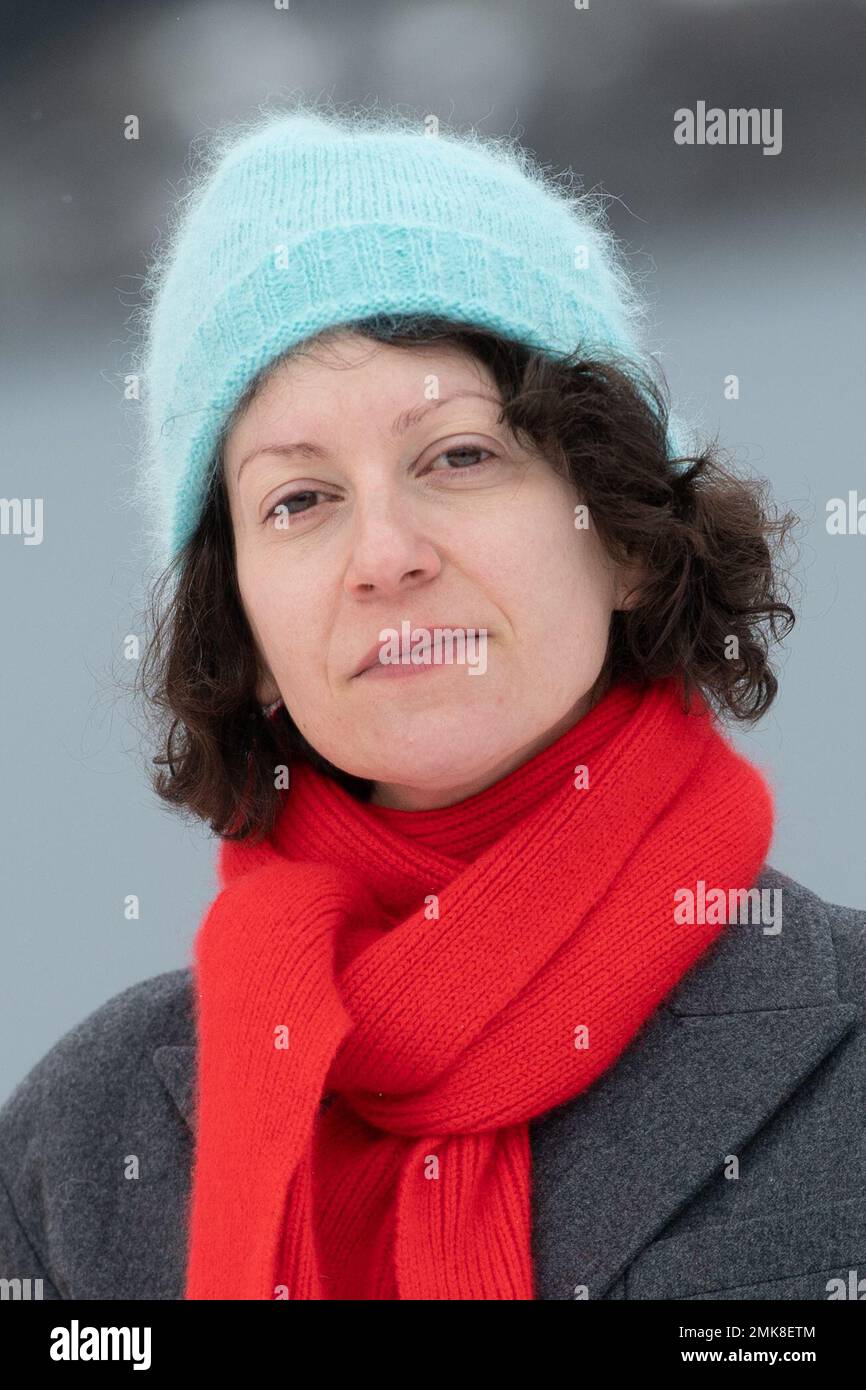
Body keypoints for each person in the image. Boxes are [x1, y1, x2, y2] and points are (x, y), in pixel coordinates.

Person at [2, 101, 865, 1302]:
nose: (384, 552)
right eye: (298, 500)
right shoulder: (68, 1160)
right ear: (240, 631)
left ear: (619, 533)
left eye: (457, 455)